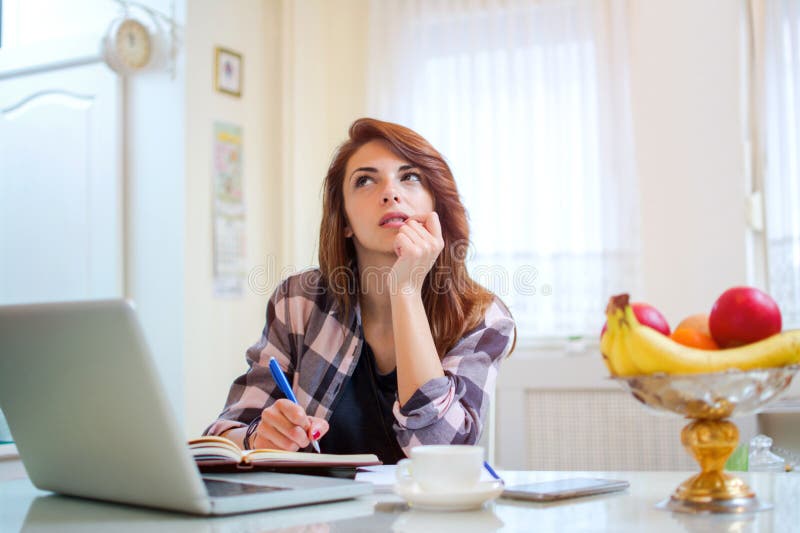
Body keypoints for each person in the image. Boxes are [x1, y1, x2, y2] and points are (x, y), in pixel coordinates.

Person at [204, 118, 516, 464]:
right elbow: (222, 435)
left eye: (410, 177)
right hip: (319, 500)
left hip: (422, 501)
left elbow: (440, 453)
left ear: (435, 207)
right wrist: (258, 436)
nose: (390, 193)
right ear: (345, 222)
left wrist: (406, 289)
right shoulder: (298, 302)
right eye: (365, 180)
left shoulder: (480, 317)